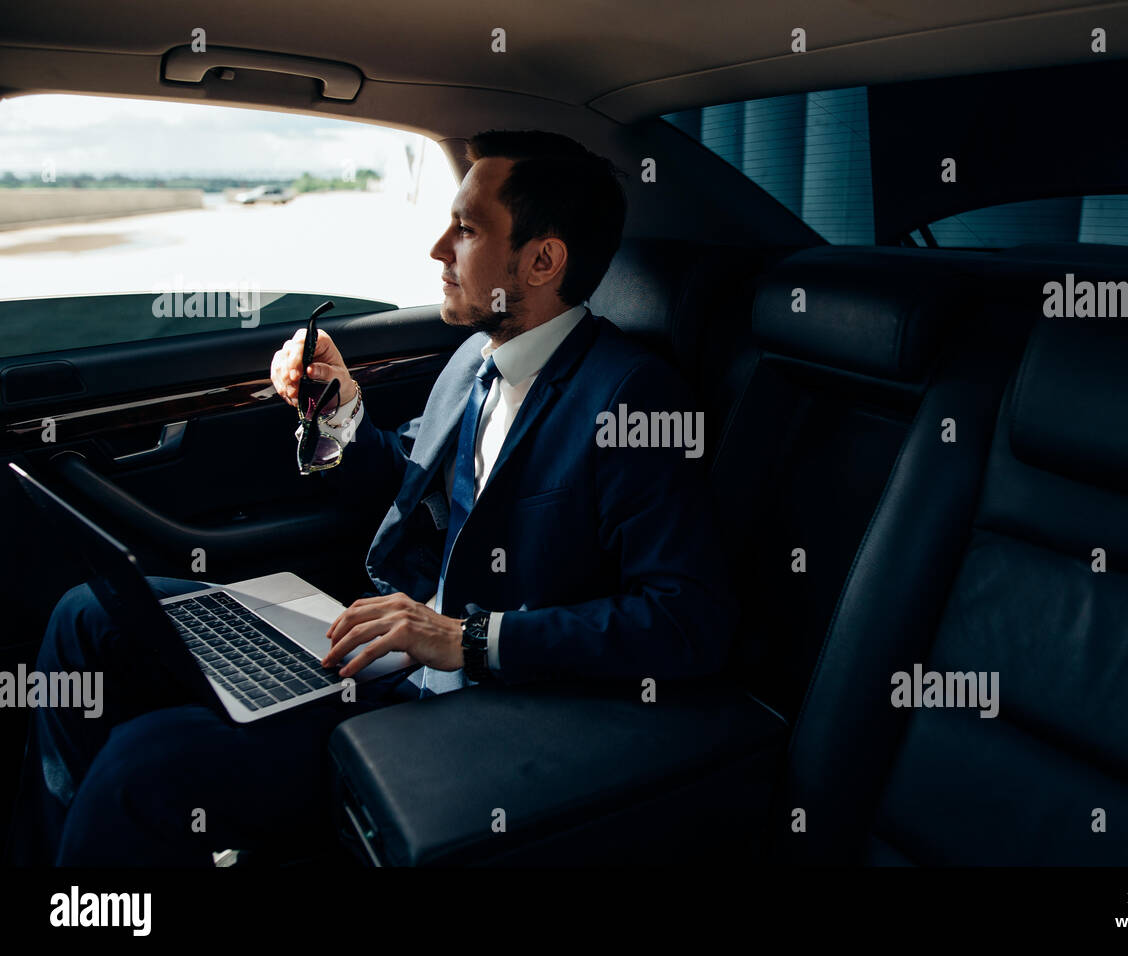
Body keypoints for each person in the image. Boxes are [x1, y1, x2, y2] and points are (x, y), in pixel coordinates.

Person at [9, 129, 736, 866]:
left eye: (467, 228)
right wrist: (336, 406)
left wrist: (466, 637)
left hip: (469, 697)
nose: (437, 249)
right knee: (86, 616)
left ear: (543, 260)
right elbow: (409, 480)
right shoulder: (472, 361)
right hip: (382, 646)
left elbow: (686, 618)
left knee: (144, 764)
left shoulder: (629, 397)